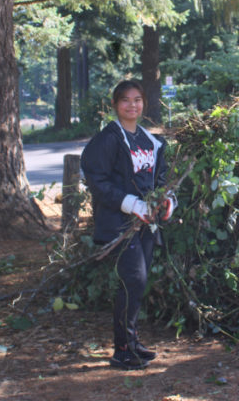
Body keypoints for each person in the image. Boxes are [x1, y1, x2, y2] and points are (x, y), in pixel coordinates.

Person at [80, 80, 175, 370]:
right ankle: (122, 350)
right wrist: (132, 204)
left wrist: (166, 202)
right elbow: (97, 180)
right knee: (132, 280)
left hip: (146, 224)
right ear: (115, 105)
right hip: (119, 224)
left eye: (137, 100)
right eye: (125, 100)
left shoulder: (151, 140)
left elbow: (162, 180)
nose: (132, 105)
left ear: (144, 103)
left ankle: (131, 341)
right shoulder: (108, 139)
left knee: (139, 282)